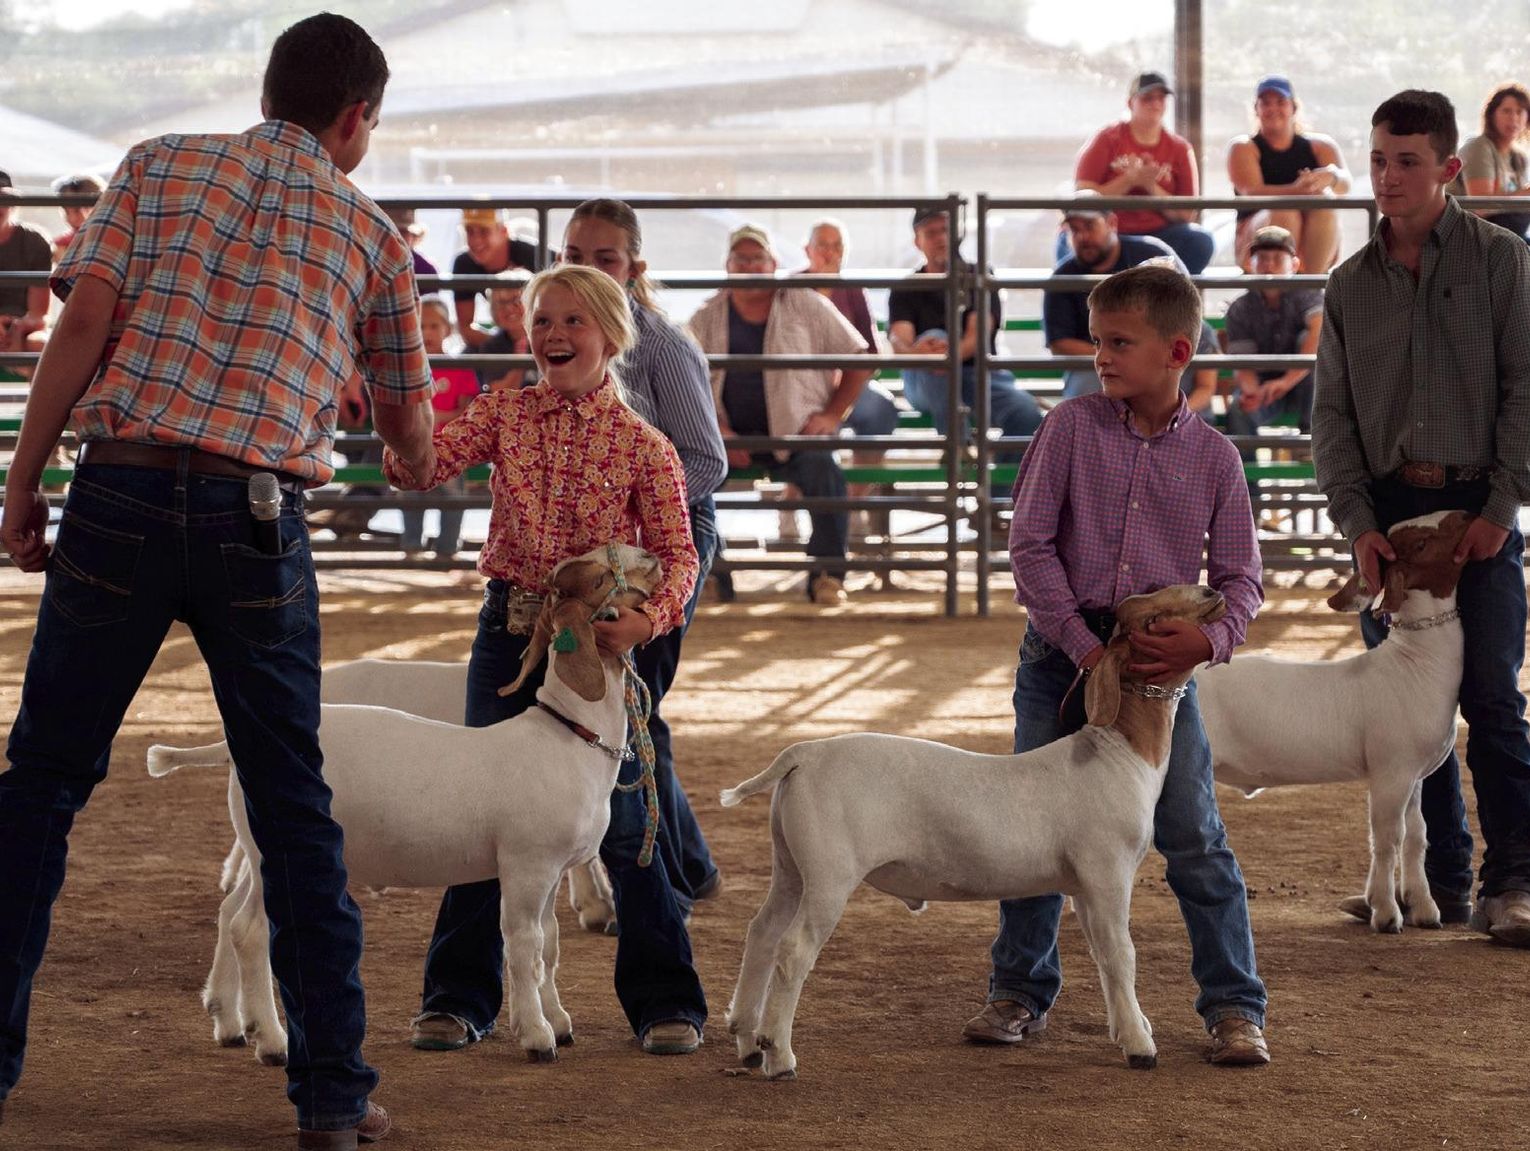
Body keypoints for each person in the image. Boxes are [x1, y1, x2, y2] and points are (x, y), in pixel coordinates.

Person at [0, 14, 436, 1148]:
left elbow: (84, 319)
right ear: (356, 120)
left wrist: (22, 475)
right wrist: (408, 447)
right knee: (296, 804)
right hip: (253, 513)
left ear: (268, 89)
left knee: (40, 779)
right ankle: (335, 1095)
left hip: (121, 489)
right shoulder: (372, 234)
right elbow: (408, 424)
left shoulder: (157, 162)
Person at [383, 262, 709, 1055]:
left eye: (573, 322)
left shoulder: (645, 444)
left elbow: (680, 553)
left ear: (610, 335)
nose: (554, 336)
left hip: (594, 646)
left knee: (627, 817)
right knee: (478, 808)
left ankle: (665, 998)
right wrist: (400, 421)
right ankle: (459, 997)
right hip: (509, 627)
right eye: (543, 322)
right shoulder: (504, 409)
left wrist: (647, 620)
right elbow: (421, 466)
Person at [968, 263, 1270, 1066]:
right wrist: (1085, 646)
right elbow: (1029, 546)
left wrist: (1209, 641)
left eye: (1118, 343)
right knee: (1030, 827)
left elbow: (1242, 578)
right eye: (1098, 341)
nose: (1101, 356)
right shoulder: (1068, 427)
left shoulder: (1215, 460)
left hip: (1162, 676)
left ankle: (1234, 1004)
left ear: (1175, 350)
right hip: (1064, 657)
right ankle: (1019, 989)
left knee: (1192, 831)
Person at [1313, 89, 1530, 946]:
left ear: (1448, 169)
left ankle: (1513, 876)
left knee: (1490, 695)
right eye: (1377, 160)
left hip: (1478, 509)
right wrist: (1357, 522)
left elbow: (1527, 386)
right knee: (1407, 711)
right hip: (1393, 519)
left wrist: (1503, 504)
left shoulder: (1500, 261)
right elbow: (1332, 419)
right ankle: (1427, 877)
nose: (1387, 177)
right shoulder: (1346, 285)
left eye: (1407, 162)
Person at [560, 196, 728, 911]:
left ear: (635, 268)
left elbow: (705, 458)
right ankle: (683, 863)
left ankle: (664, 874)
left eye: (605, 257)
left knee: (632, 704)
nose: (588, 269)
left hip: (666, 542)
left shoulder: (661, 344)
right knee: (632, 707)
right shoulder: (567, 342)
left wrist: (632, 510)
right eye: (575, 255)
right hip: (605, 551)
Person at [688, 223, 874, 605]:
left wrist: (832, 415)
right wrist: (718, 429)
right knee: (687, 478)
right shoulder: (707, 314)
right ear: (728, 265)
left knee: (825, 471)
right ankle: (709, 574)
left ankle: (827, 576)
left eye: (757, 258)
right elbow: (686, 381)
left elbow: (860, 357)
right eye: (741, 258)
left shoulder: (805, 302)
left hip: (798, 434)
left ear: (773, 263)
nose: (750, 266)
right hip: (728, 438)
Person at [887, 206, 1043, 515]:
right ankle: (957, 443)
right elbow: (898, 341)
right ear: (918, 241)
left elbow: (978, 334)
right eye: (931, 232)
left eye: (946, 231)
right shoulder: (906, 287)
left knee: (1026, 415)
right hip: (927, 380)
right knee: (934, 339)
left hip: (976, 377)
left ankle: (993, 505)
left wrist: (945, 355)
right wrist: (922, 352)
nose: (941, 239)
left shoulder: (978, 277)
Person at [1043, 198, 1219, 410]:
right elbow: (1059, 342)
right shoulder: (1062, 277)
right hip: (1093, 370)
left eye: (1089, 226)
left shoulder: (1152, 252)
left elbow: (1186, 309)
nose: (1082, 237)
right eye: (1073, 230)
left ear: (1111, 223)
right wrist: (1122, 354)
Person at [1074, 71, 1216, 274]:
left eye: (1161, 98)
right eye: (1147, 98)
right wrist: (1128, 180)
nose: (1155, 104)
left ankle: (1168, 299)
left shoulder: (1179, 148)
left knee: (1200, 241)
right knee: (1070, 244)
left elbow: (1187, 213)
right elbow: (1082, 196)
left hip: (1162, 236)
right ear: (1131, 103)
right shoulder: (1107, 139)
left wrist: (1150, 186)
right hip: (1111, 235)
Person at [1227, 75, 1351, 272]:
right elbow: (1250, 191)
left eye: (1280, 102)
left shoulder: (1321, 146)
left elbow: (1345, 185)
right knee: (1285, 211)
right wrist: (1297, 190)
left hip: (1309, 245)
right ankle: (1279, 286)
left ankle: (1311, 285)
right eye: (1265, 103)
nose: (1273, 108)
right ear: (1256, 109)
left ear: (1293, 108)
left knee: (1324, 203)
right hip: (1254, 235)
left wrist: (1330, 176)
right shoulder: (1244, 147)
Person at [1224, 224, 1322, 439]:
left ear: (1294, 265)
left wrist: (1286, 381)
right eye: (1262, 258)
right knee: (1239, 410)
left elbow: (1318, 331)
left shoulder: (1308, 294)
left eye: (1278, 258)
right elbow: (1243, 361)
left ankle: (1312, 444)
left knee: (1314, 348)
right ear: (1251, 264)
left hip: (1305, 385)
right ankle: (1243, 472)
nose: (1269, 265)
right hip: (1264, 386)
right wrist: (1252, 392)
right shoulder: (1240, 308)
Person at [400, 297, 480, 555]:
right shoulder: (408, 368)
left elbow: (465, 411)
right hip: (415, 446)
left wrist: (431, 417)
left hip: (449, 448)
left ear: (448, 329)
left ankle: (447, 548)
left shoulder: (460, 368)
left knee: (453, 498)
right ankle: (412, 544)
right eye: (421, 326)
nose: (427, 332)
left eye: (434, 326)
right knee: (412, 496)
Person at [1449, 83, 1530, 242]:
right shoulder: (1479, 147)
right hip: (1467, 236)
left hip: (1507, 235)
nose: (1513, 118)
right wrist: (1525, 194)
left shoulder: (1518, 157)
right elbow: (1481, 205)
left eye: (1519, 112)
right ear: (1491, 115)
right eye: (1506, 111)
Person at [452, 207, 541, 348]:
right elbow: (466, 329)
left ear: (504, 231)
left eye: (484, 231)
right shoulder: (464, 264)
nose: (475, 240)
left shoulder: (535, 256)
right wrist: (504, 347)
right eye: (469, 231)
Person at [0, 170, 51, 355]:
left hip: (23, 328)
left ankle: (39, 383)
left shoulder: (34, 242)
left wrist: (16, 327)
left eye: (2, 199)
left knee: (39, 344)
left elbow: (39, 314)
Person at [476, 271, 535, 392]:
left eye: (516, 300)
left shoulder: (549, 337)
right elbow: (500, 393)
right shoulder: (491, 346)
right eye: (501, 303)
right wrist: (520, 358)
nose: (508, 308)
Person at [49, 173, 106, 262]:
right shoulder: (61, 244)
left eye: (77, 210)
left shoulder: (107, 237)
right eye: (66, 212)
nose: (71, 219)